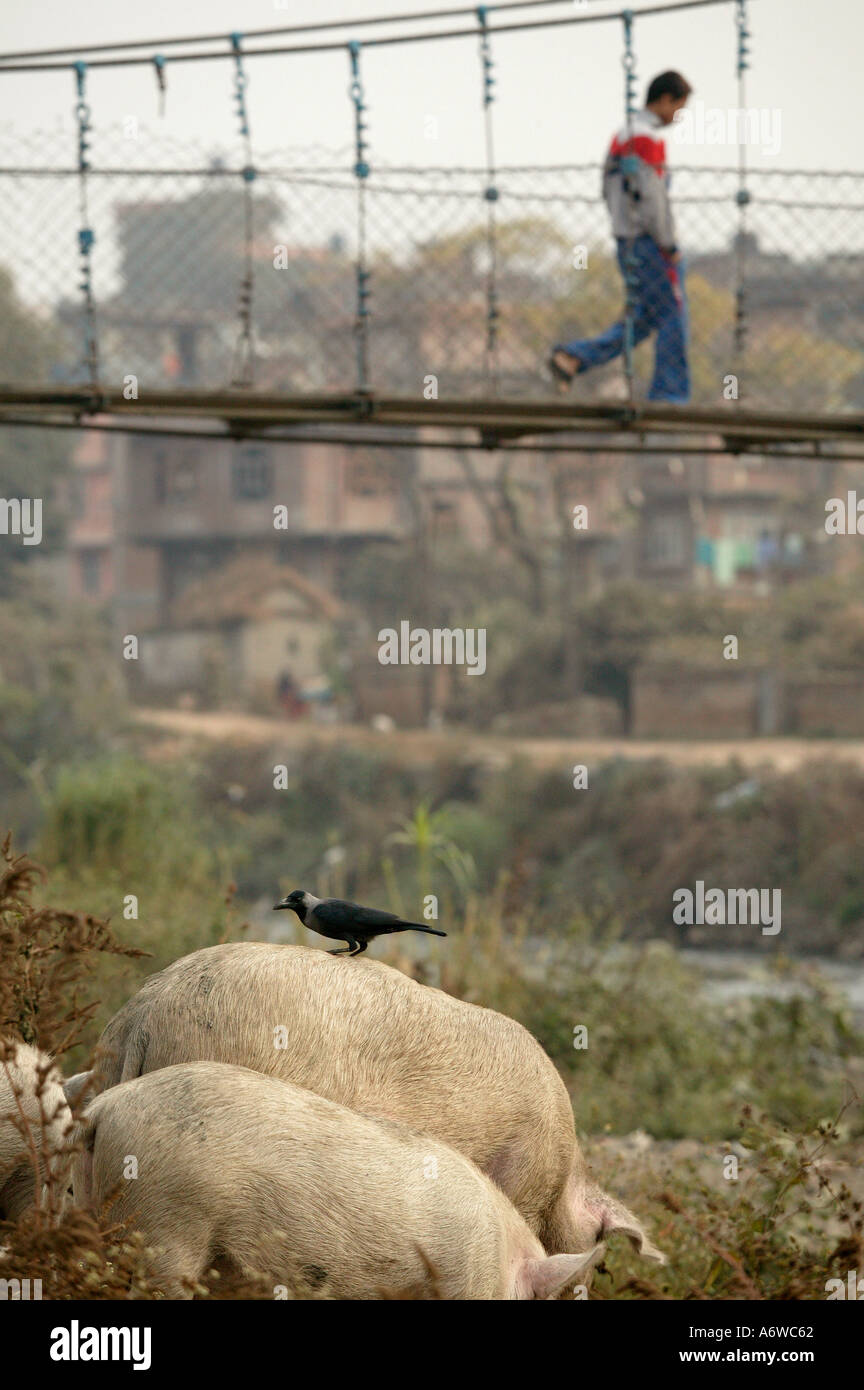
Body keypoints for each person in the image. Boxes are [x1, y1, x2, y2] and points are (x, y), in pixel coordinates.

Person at [549, 70, 693, 403]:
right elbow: (654, 198)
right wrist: (668, 244)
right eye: (679, 107)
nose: (679, 116)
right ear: (665, 99)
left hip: (624, 238)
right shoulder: (648, 138)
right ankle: (669, 394)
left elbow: (606, 188)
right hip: (650, 242)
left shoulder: (621, 135)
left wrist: (622, 220)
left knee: (642, 318)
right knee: (673, 312)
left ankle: (573, 358)